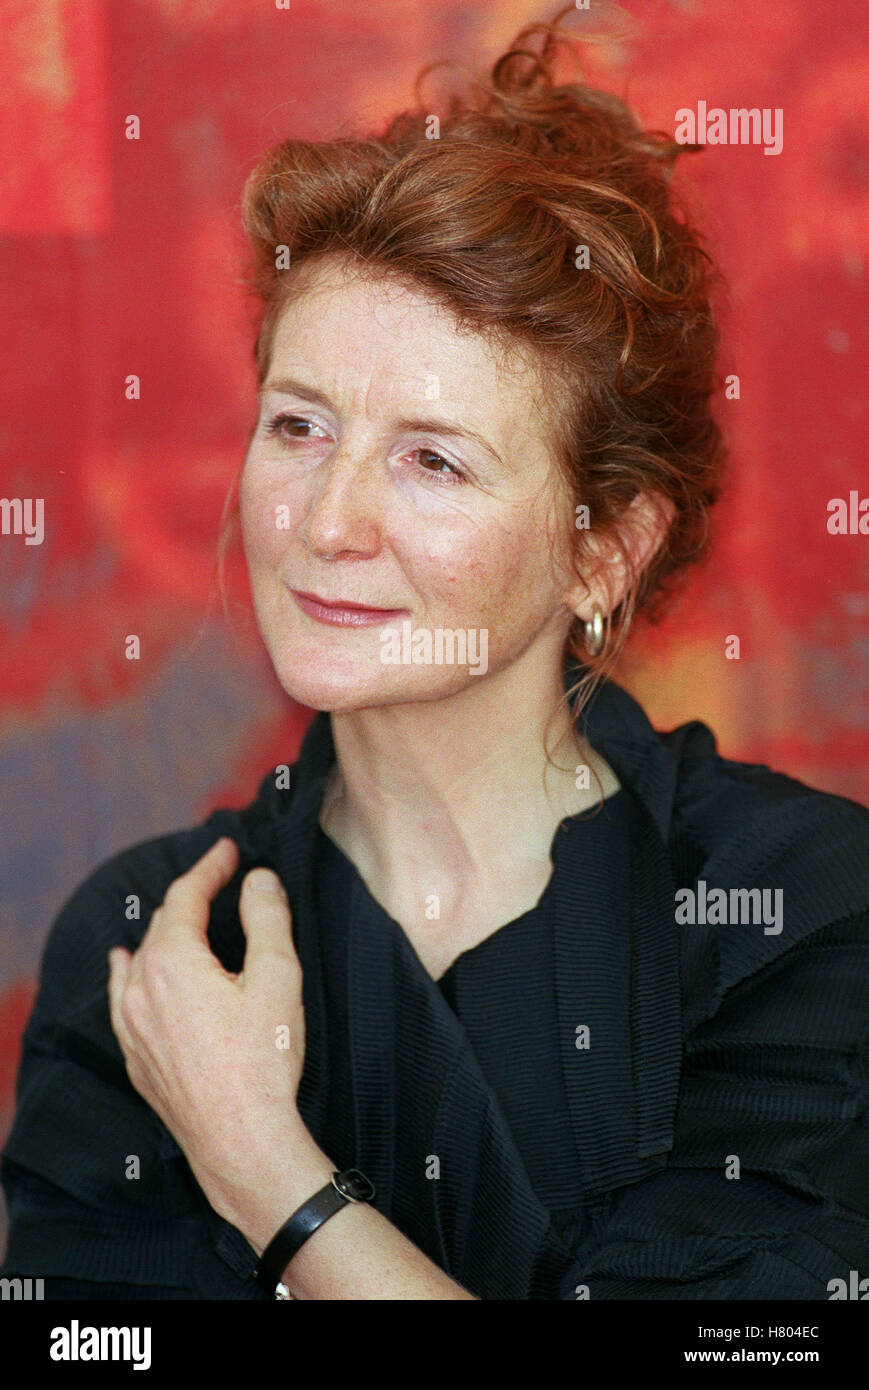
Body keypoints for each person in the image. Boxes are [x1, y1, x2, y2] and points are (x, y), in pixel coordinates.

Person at [1, 8, 867, 1301]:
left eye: (433, 459)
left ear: (603, 548)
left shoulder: (789, 904)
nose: (325, 520)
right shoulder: (160, 939)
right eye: (297, 426)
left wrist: (262, 1168)